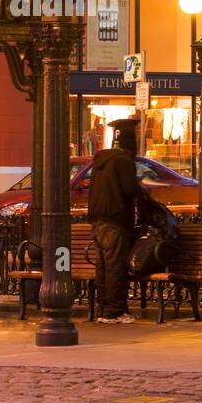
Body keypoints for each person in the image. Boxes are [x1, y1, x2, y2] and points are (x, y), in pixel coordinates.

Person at [86, 117, 142, 324]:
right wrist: (141, 190)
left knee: (103, 267)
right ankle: (115, 311)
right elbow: (129, 189)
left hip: (98, 221)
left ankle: (104, 308)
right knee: (115, 266)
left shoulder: (102, 160)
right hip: (115, 221)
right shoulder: (123, 161)